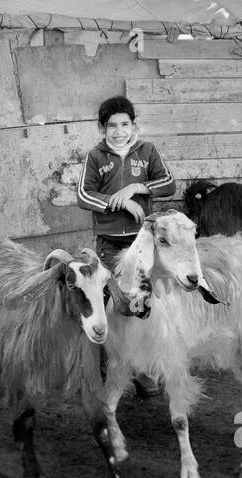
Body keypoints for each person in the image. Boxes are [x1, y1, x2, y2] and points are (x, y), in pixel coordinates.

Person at [78, 95, 175, 395]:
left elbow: (168, 183)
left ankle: (146, 371)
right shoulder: (95, 157)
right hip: (109, 245)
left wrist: (136, 187)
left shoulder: (147, 151)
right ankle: (112, 368)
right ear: (102, 128)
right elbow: (84, 194)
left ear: (135, 125)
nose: (118, 131)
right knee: (111, 306)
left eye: (124, 124)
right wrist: (116, 202)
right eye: (111, 126)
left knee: (145, 304)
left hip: (141, 242)